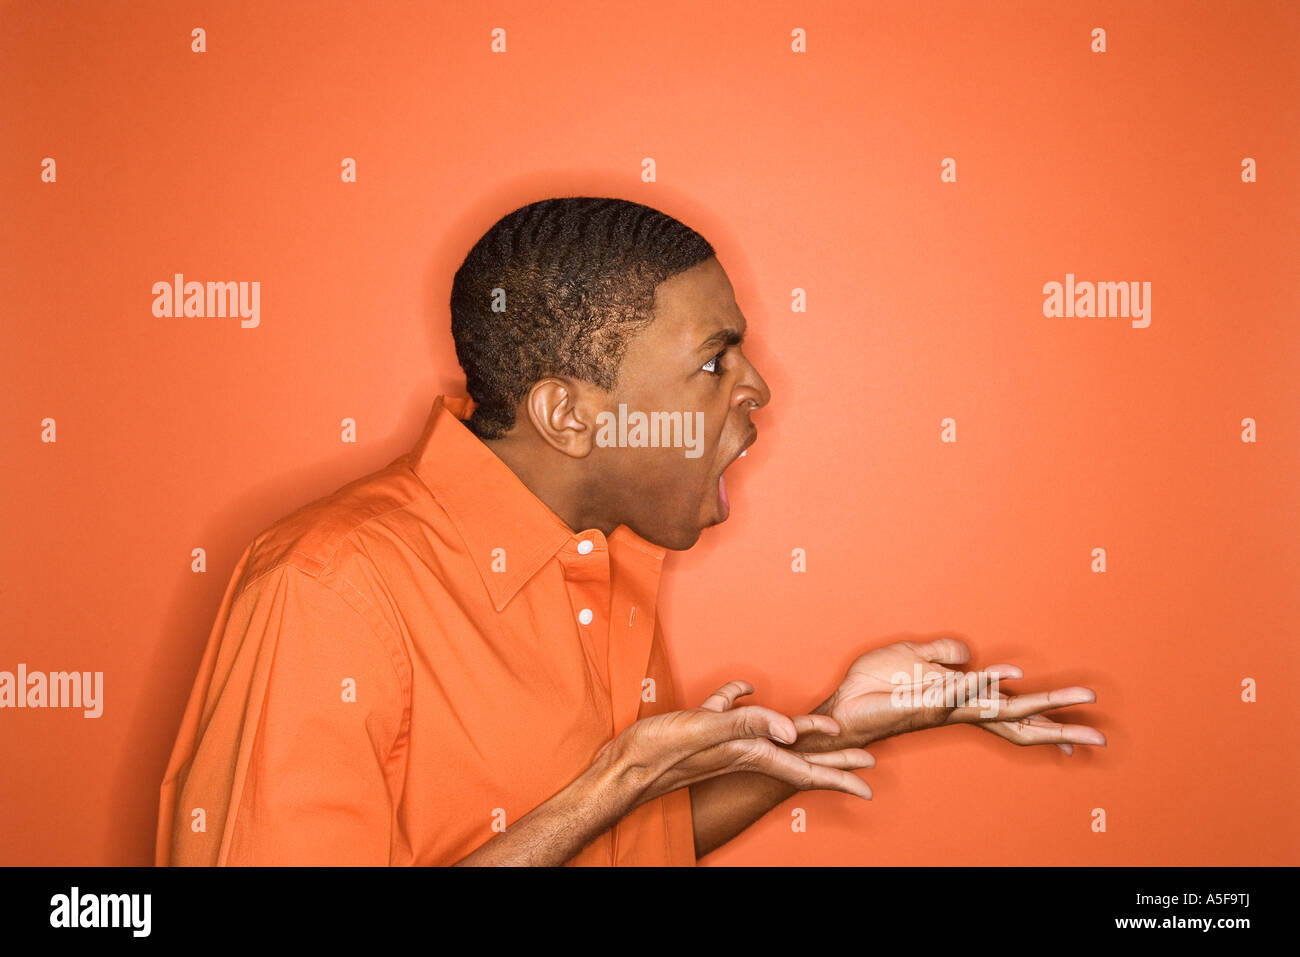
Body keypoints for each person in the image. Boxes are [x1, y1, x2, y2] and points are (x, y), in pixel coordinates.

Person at [156, 196, 1104, 866]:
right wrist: (607, 785)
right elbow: (602, 808)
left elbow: (621, 845)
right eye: (713, 359)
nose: (758, 387)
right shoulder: (327, 589)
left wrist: (829, 733)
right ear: (571, 416)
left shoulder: (599, 554)